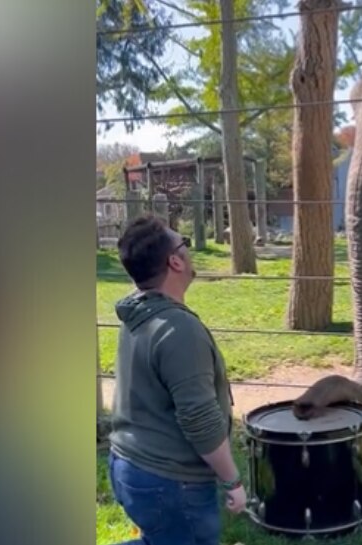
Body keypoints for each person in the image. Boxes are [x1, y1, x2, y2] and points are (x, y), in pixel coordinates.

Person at [107, 215, 246, 545]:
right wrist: (232, 481)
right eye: (183, 243)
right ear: (175, 260)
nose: (188, 250)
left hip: (128, 467)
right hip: (169, 483)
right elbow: (199, 418)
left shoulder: (139, 313)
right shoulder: (177, 330)